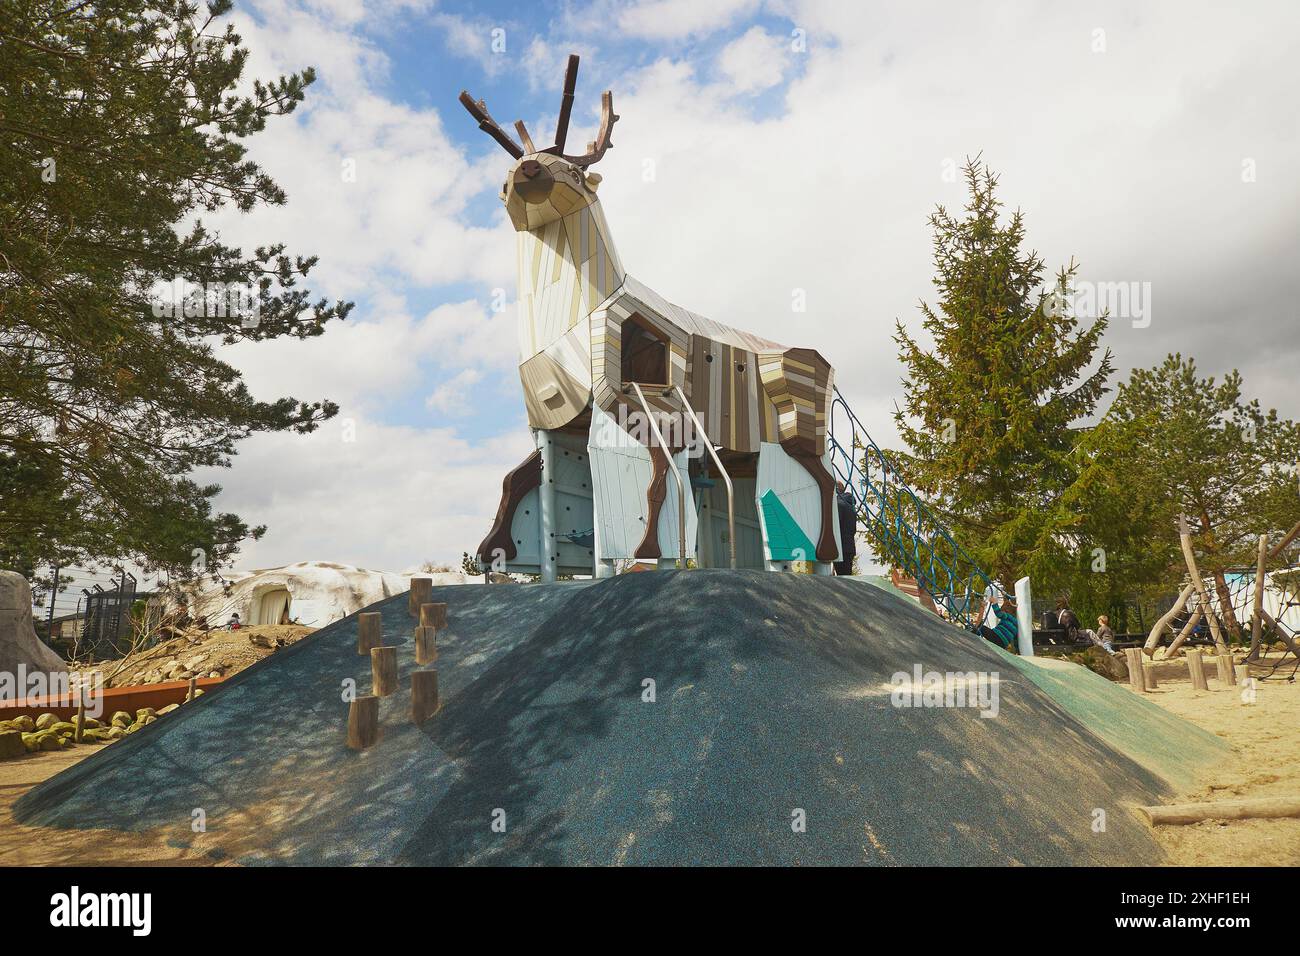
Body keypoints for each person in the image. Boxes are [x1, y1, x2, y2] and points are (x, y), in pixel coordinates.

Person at [834, 481, 857, 576]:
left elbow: (836, 526)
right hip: (849, 546)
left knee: (842, 578)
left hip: (840, 546)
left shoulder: (838, 504)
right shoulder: (850, 506)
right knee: (847, 576)